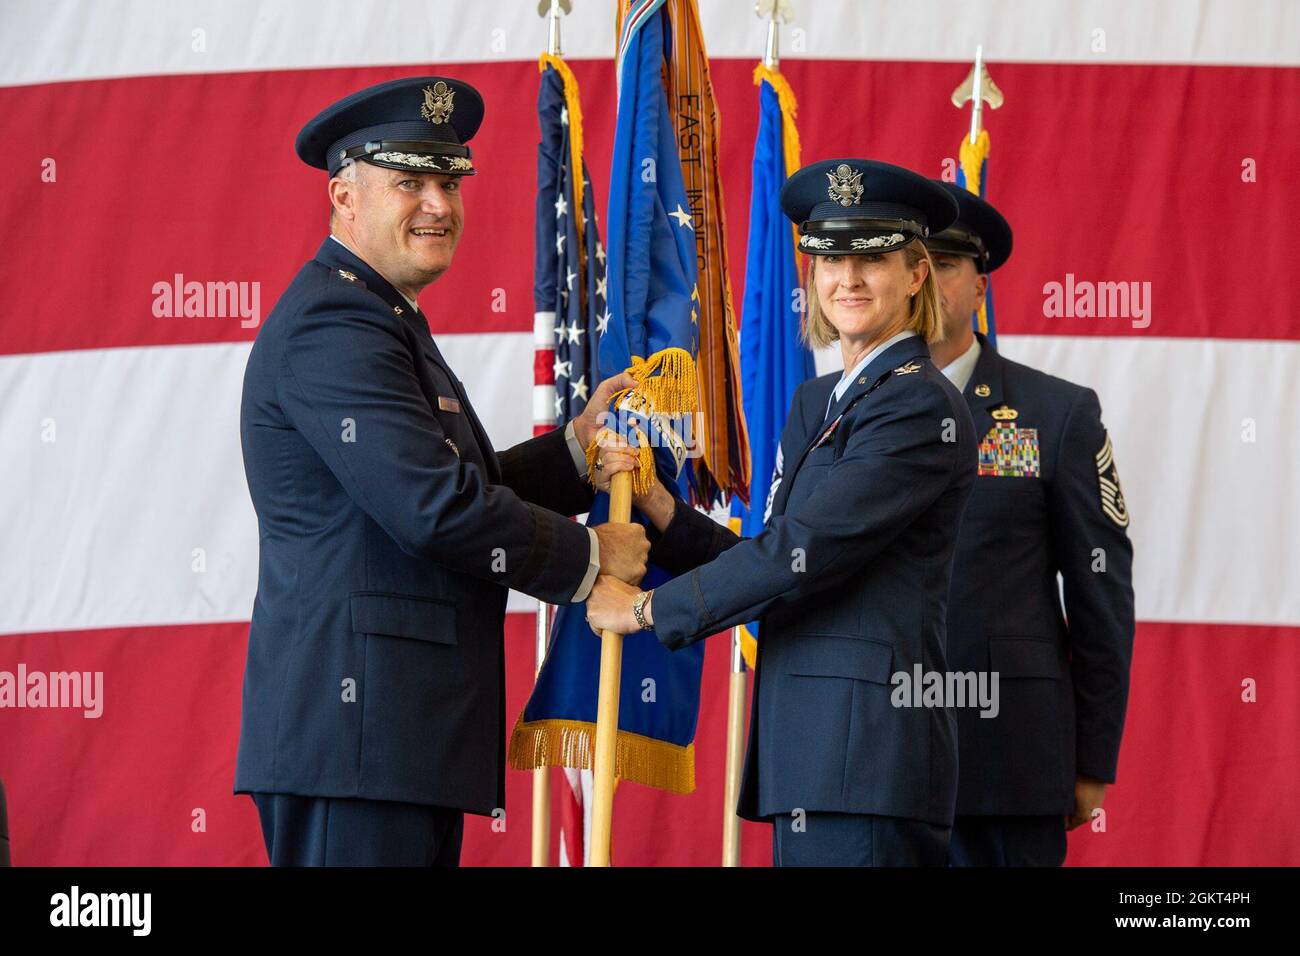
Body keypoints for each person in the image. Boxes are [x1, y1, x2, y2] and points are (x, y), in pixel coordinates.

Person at [234, 76, 649, 866]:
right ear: (344, 198)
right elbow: (433, 506)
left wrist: (573, 454)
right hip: (355, 746)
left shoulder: (379, 315)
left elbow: (451, 480)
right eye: (409, 182)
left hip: (393, 743)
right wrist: (591, 562)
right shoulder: (335, 324)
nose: (438, 204)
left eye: (448, 181)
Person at [587, 159, 976, 866]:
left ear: (917, 274)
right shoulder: (819, 402)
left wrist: (645, 612)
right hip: (813, 754)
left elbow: (805, 552)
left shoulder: (917, 405)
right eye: (829, 258)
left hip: (868, 763)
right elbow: (775, 552)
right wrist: (662, 509)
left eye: (872, 258)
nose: (846, 279)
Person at [924, 182, 1135, 866]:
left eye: (946, 264)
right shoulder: (833, 412)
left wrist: (1092, 757)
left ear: (980, 285)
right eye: (912, 264)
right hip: (867, 765)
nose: (926, 282)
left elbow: (1100, 593)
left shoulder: (1056, 414)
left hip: (1005, 766)